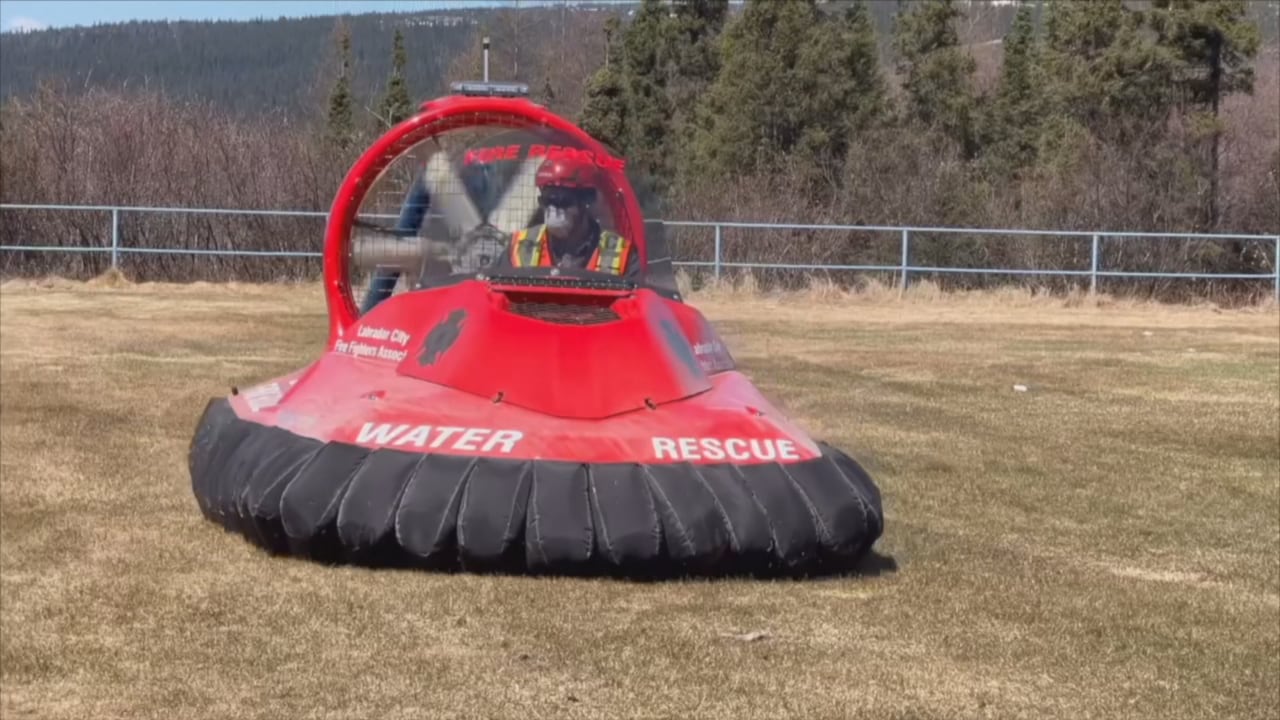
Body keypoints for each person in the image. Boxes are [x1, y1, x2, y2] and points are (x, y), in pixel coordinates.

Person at [486, 155, 642, 282]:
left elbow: (634, 308)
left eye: (562, 201)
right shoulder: (519, 248)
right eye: (547, 200)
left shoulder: (621, 255)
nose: (553, 210)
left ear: (585, 201)